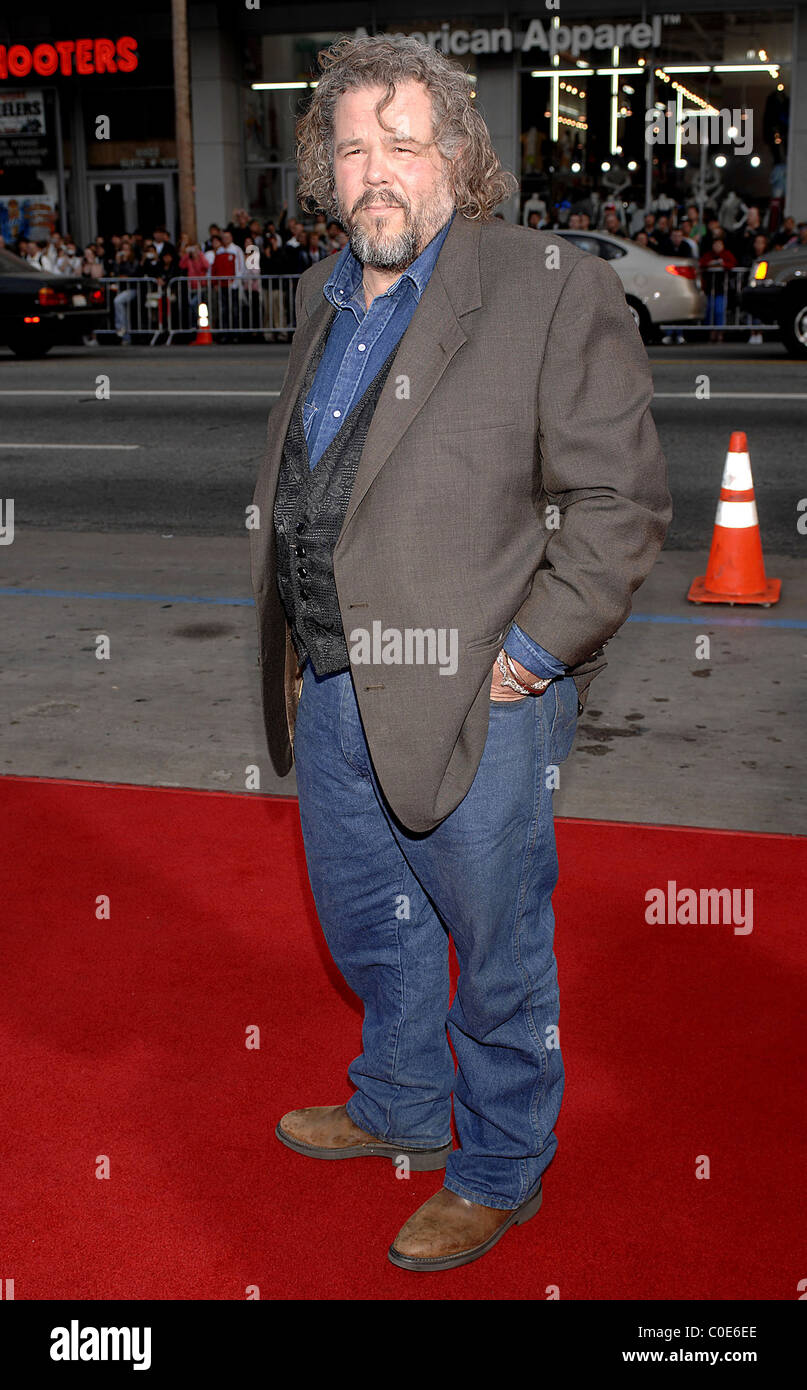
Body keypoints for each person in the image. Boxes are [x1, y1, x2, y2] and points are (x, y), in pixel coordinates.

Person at [249, 33, 670, 1273]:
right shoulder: (328, 295)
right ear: (327, 167)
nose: (376, 171)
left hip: (480, 690)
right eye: (352, 147)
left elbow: (619, 505)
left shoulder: (544, 284)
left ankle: (497, 1166)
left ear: (460, 160)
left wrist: (531, 655)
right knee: (369, 920)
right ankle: (398, 1099)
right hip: (331, 678)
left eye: (404, 145)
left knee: (495, 945)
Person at [700, 236, 737, 342]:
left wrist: (723, 264)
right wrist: (710, 264)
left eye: (719, 245)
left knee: (719, 310)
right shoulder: (708, 255)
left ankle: (720, 333)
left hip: (721, 289)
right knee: (710, 310)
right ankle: (711, 332)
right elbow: (702, 263)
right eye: (715, 245)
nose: (717, 247)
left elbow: (733, 264)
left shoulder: (726, 255)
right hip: (710, 289)